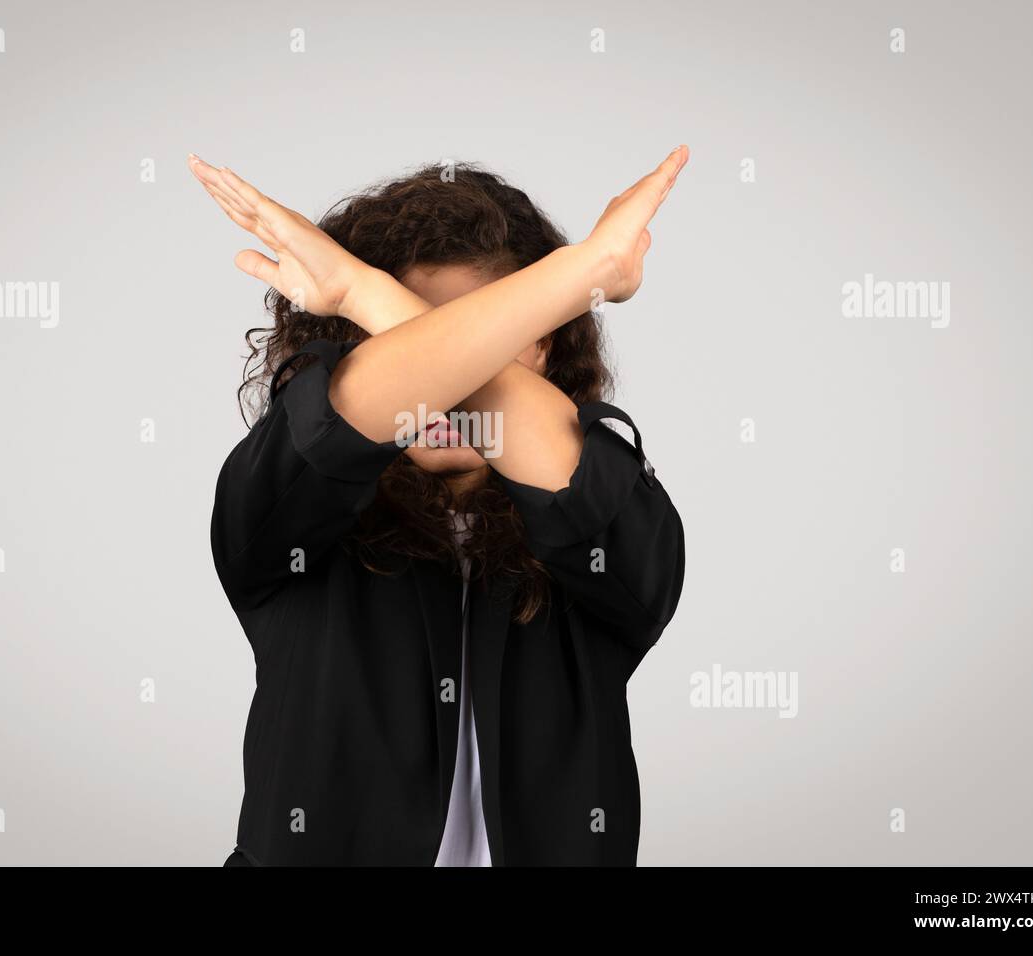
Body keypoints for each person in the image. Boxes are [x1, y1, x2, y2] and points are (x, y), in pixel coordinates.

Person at [191, 147, 689, 866]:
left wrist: (362, 292)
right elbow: (350, 418)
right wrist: (584, 273)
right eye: (425, 343)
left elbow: (573, 484)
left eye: (497, 333)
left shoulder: (612, 509)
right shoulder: (280, 501)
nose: (450, 388)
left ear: (546, 348)